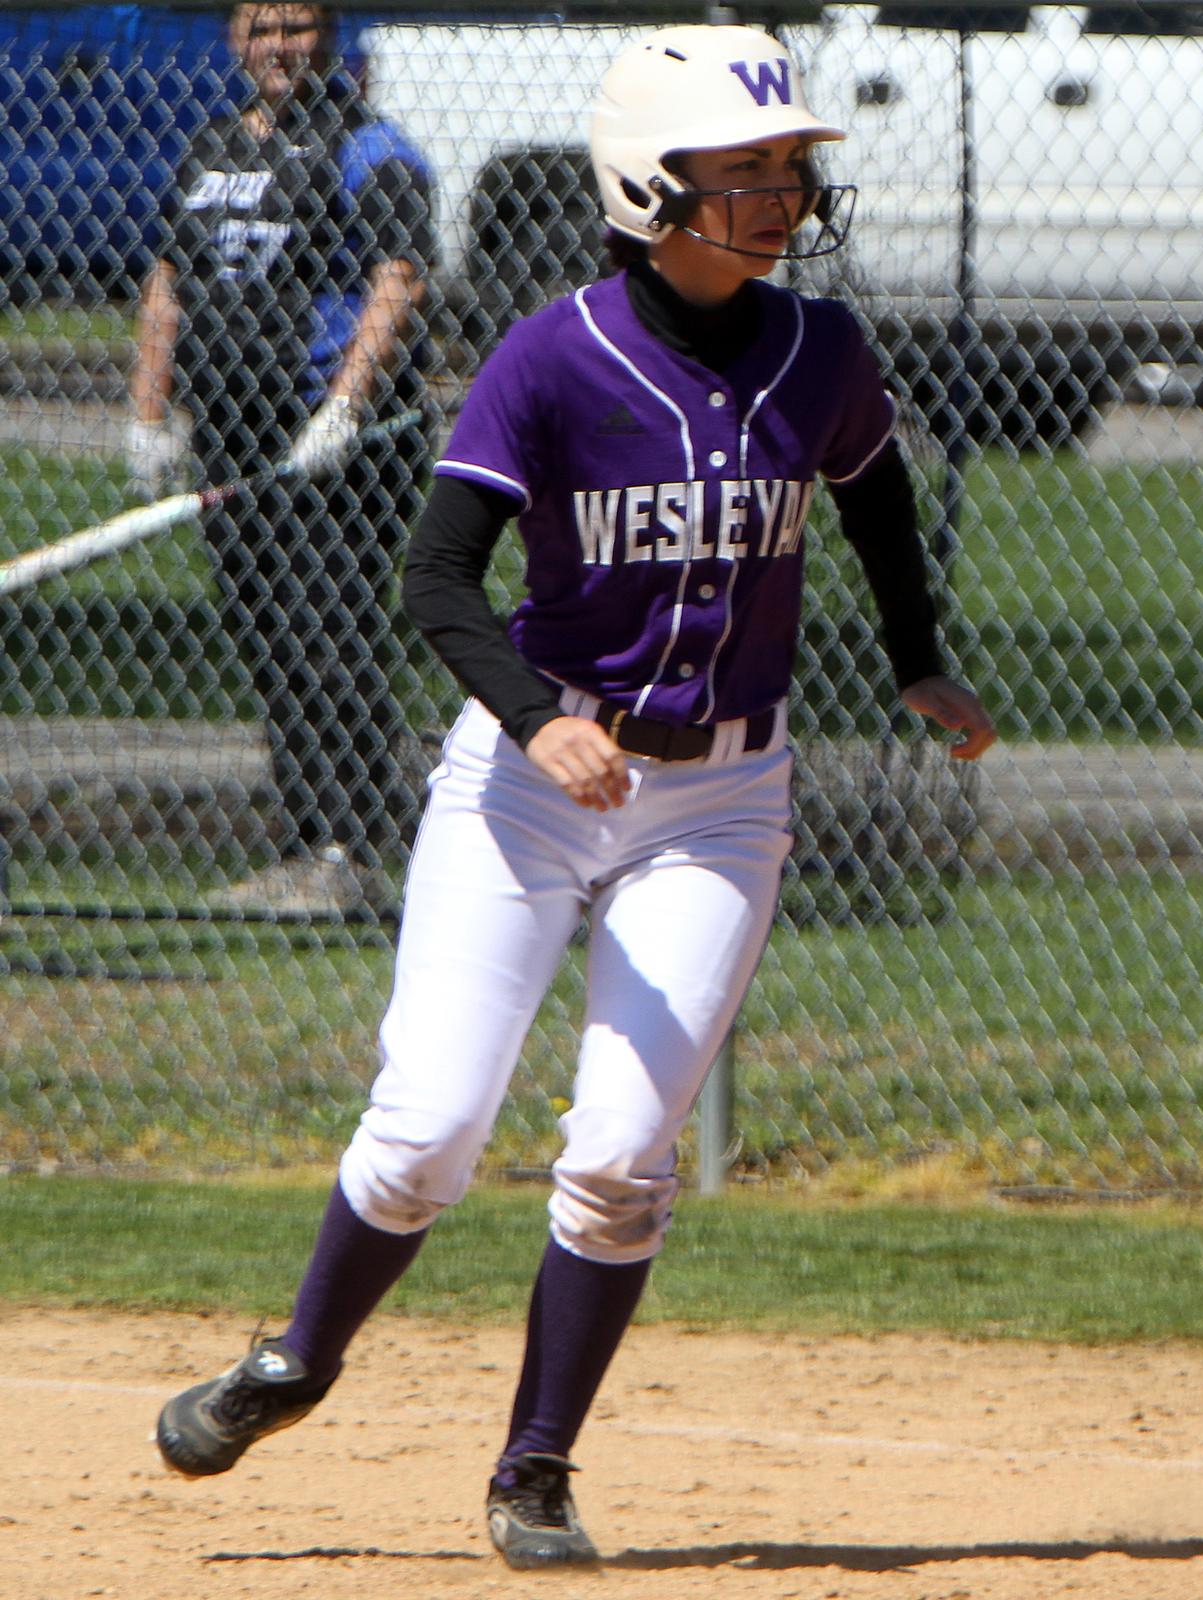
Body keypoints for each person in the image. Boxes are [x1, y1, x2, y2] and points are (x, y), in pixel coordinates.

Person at [152, 23, 997, 1569]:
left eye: (785, 169)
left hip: (722, 800)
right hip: (524, 790)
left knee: (617, 1157)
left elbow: (868, 484)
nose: (782, 196)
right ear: (647, 190)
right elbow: (435, 579)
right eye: (740, 173)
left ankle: (533, 1472)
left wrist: (919, 659)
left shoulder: (821, 350)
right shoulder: (553, 354)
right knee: (427, 1137)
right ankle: (297, 1359)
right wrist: (537, 721)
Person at [128, 2, 435, 911]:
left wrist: (344, 406)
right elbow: (168, 281)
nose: (281, 45)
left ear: (329, 35)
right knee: (269, 636)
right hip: (234, 437)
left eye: (298, 24)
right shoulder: (213, 147)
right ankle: (312, 841)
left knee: (326, 631)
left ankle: (354, 851)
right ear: (234, 38)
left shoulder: (371, 147)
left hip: (330, 443)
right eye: (263, 26)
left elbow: (399, 276)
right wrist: (149, 412)